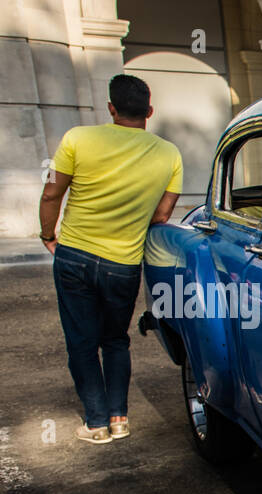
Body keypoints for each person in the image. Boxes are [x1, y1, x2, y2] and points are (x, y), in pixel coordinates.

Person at [39, 74, 182, 444]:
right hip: (123, 262)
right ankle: (120, 417)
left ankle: (96, 422)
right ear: (149, 111)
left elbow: (52, 193)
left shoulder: (77, 139)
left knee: (81, 341)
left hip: (74, 256)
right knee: (115, 340)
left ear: (110, 108)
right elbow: (162, 215)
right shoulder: (169, 153)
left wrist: (47, 234)